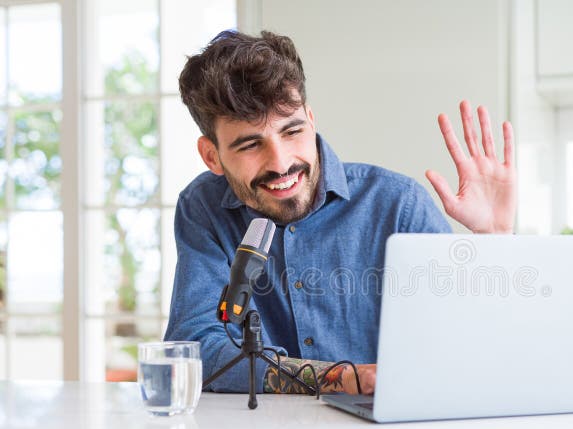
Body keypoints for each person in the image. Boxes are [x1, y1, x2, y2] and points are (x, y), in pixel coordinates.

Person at [165, 29, 516, 394]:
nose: (281, 163)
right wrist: (339, 379)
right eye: (251, 145)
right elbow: (195, 350)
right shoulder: (203, 207)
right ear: (211, 156)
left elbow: (475, 346)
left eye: (292, 131)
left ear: (311, 119)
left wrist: (494, 242)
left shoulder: (398, 205)